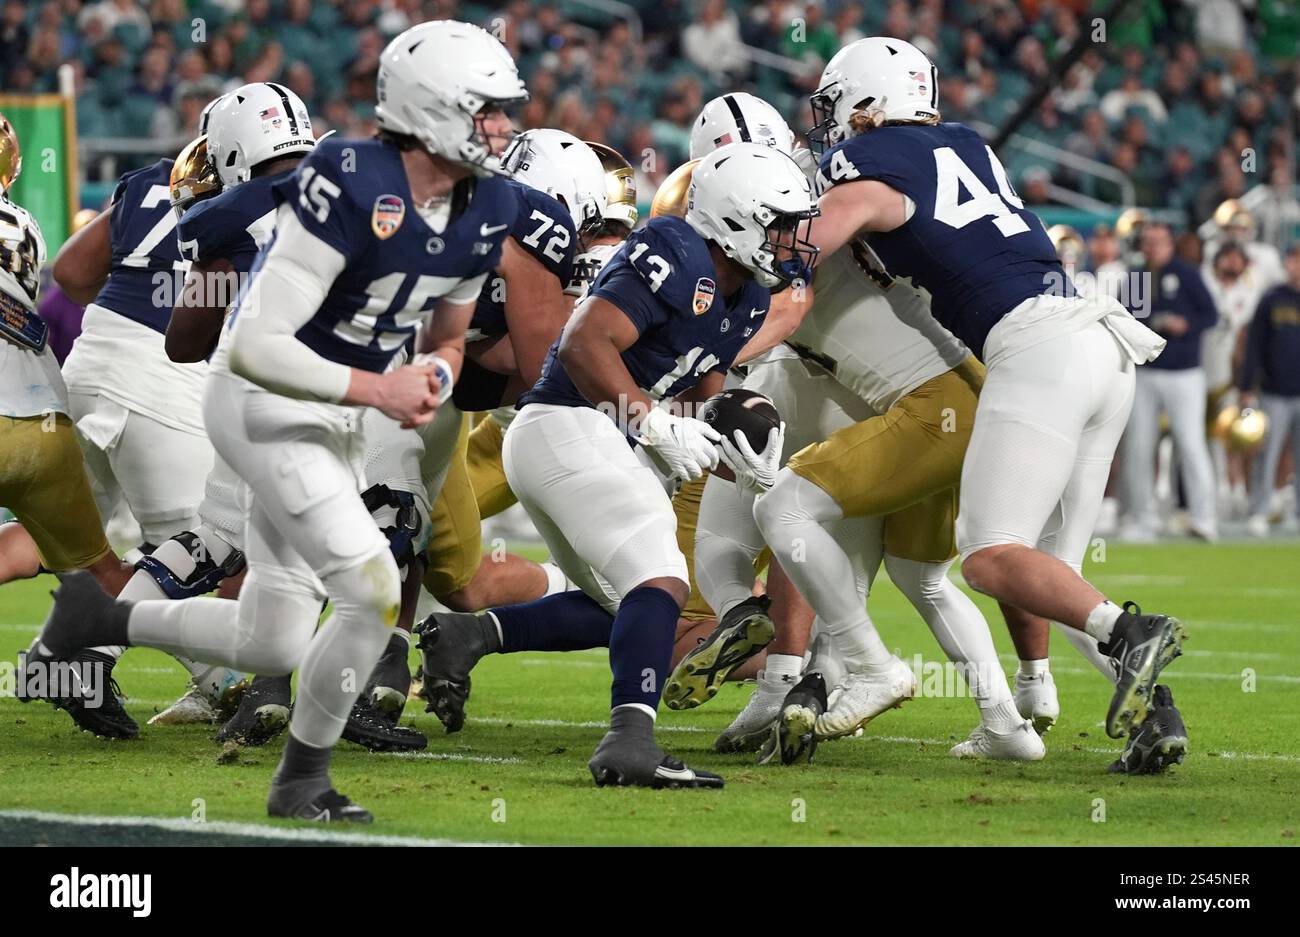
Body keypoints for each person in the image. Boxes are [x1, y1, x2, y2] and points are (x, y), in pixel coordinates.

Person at [26, 20, 530, 822]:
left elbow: (446, 329)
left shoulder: (492, 200)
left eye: (506, 110)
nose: (502, 129)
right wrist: (381, 390)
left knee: (273, 637)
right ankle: (302, 780)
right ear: (430, 109)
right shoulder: (348, 180)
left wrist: (435, 373)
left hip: (338, 411)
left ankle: (99, 615)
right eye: (486, 110)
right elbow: (256, 345)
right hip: (263, 404)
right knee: (369, 589)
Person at [788, 37, 1187, 772]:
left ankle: (1130, 632)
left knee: (989, 554)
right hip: (1102, 343)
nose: (831, 122)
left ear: (867, 103)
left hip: (1037, 347)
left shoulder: (871, 162)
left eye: (839, 104)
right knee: (1053, 571)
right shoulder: (965, 142)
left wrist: (763, 234)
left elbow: (820, 236)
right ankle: (1153, 716)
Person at [1118, 223, 1219, 542]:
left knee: (1190, 443)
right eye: (1148, 242)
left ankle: (1205, 518)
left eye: (1158, 241)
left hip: (1185, 372)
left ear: (1169, 244)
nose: (1152, 248)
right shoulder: (1136, 276)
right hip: (1146, 371)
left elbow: (1211, 315)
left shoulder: (1186, 274)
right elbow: (1122, 317)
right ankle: (1141, 519)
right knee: (1138, 446)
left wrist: (1185, 325)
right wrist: (1153, 324)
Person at [1240, 246, 1300, 536]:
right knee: (1268, 453)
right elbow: (1254, 345)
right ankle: (1259, 510)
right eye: (1295, 260)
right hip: (1275, 389)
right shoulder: (1271, 299)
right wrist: (1246, 385)